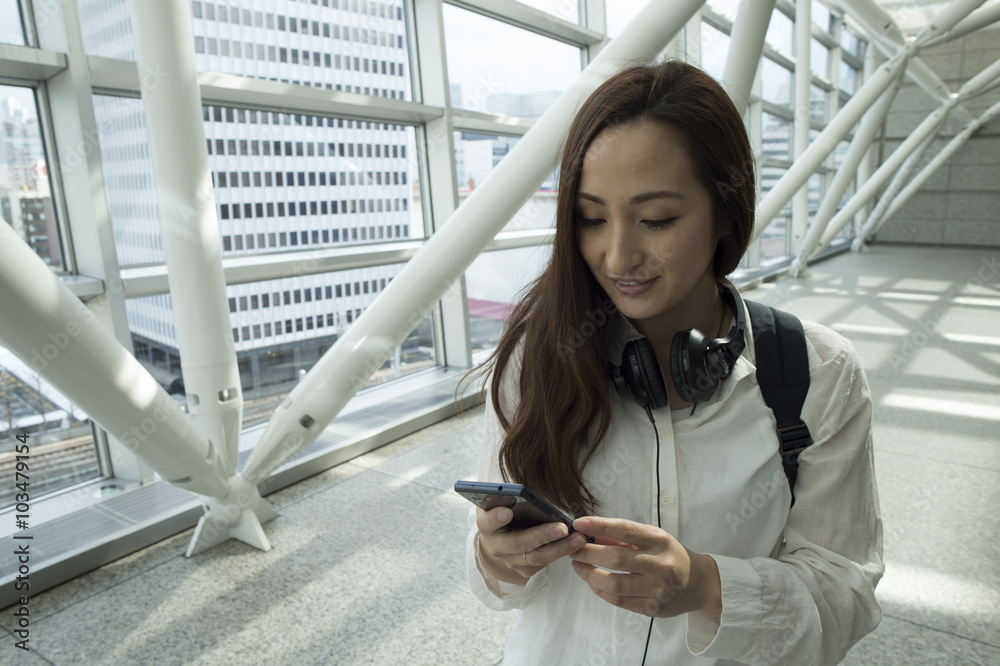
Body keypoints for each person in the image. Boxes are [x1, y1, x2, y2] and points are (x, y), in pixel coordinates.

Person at [464, 60, 883, 665]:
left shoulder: (819, 373)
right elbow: (493, 589)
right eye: (591, 218)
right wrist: (496, 557)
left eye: (656, 219)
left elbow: (846, 597)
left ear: (725, 211)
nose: (617, 256)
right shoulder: (537, 356)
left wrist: (704, 587)